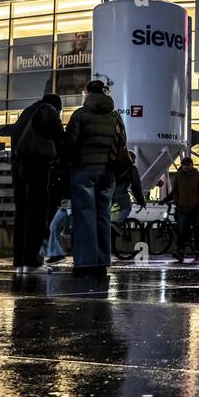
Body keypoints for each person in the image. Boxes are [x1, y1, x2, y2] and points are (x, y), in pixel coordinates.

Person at [65, 79, 121, 277]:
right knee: (103, 215)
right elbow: (121, 143)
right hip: (107, 173)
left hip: (84, 171)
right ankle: (102, 261)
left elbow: (70, 143)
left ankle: (85, 263)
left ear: (88, 93)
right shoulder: (115, 116)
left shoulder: (80, 114)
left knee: (85, 216)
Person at [9, 92, 64, 275]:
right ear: (57, 106)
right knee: (37, 212)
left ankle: (20, 262)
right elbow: (59, 137)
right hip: (36, 165)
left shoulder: (27, 112)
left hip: (18, 166)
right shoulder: (48, 110)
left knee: (22, 213)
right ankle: (32, 262)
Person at [168, 154, 199, 262]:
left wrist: (198, 202)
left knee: (196, 229)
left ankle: (197, 251)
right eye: (184, 165)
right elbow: (175, 190)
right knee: (182, 230)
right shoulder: (178, 176)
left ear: (191, 165)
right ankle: (180, 251)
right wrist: (176, 201)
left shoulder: (198, 175)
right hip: (182, 208)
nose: (185, 167)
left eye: (187, 165)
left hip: (196, 209)